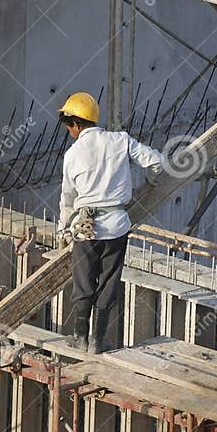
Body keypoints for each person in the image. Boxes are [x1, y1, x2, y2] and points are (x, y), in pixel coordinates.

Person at [56, 92, 163, 354]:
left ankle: (80, 338)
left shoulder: (72, 155)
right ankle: (97, 342)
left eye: (69, 127)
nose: (69, 132)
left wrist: (62, 230)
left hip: (85, 229)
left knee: (84, 284)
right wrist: (150, 181)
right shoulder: (120, 140)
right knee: (108, 283)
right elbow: (156, 161)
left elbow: (67, 199)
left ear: (76, 124)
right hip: (116, 226)